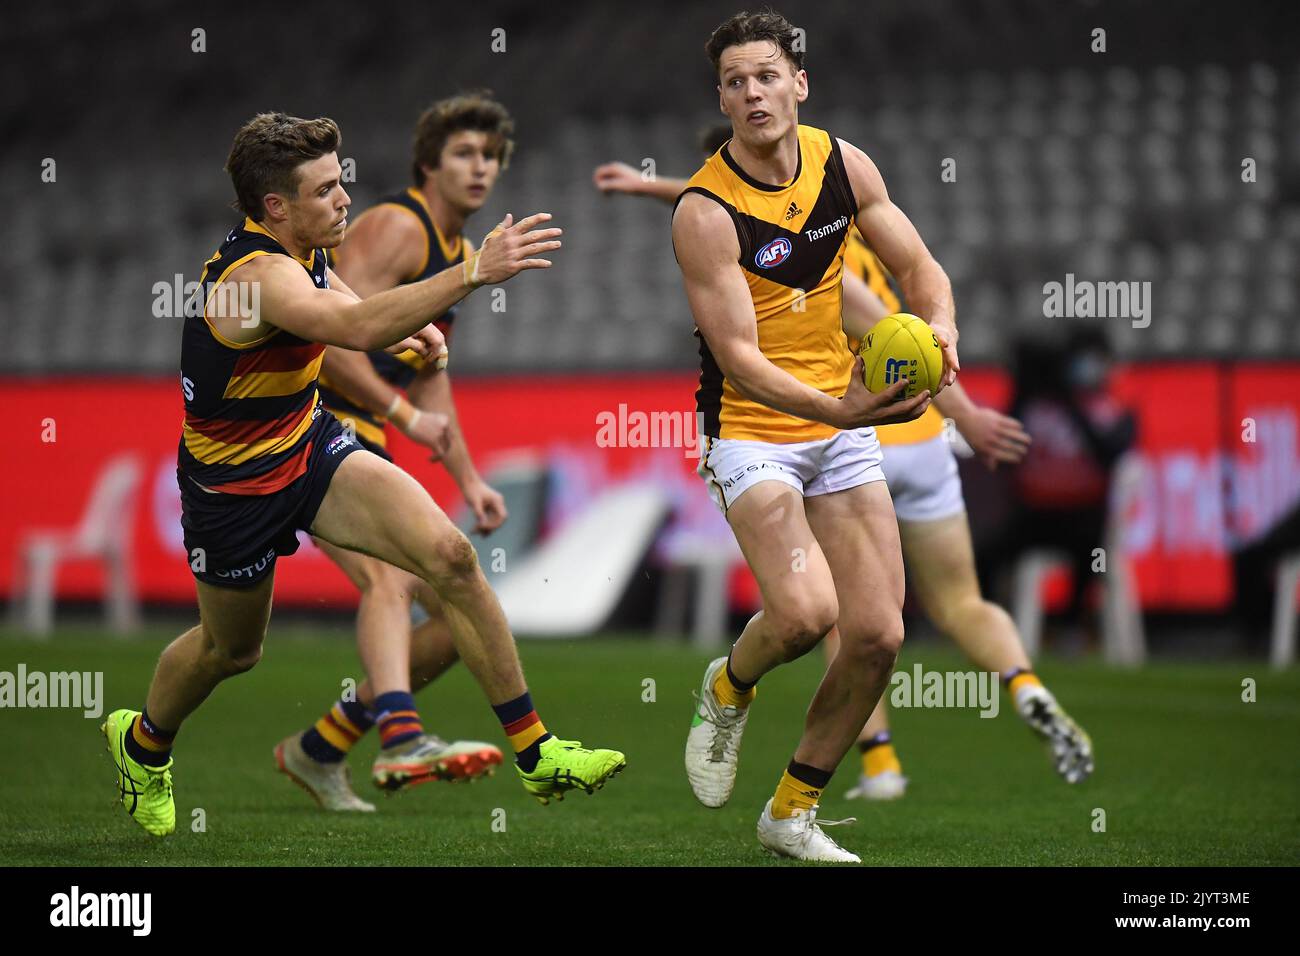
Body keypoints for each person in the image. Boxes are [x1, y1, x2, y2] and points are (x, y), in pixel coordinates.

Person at [102, 112, 625, 837]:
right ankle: (142, 744)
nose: (345, 196)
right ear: (277, 207)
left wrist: (411, 326)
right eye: (325, 189)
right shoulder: (255, 279)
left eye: (340, 179)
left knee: (451, 558)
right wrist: (471, 274)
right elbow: (346, 330)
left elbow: (345, 298)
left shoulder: (307, 249)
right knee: (232, 651)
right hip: (234, 492)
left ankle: (538, 753)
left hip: (309, 447)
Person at [672, 11, 955, 862]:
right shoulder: (704, 209)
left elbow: (918, 267)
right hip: (754, 430)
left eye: (766, 75)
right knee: (801, 615)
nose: (752, 93)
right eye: (734, 81)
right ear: (721, 98)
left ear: (801, 83)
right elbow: (740, 360)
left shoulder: (844, 162)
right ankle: (728, 685)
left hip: (839, 422)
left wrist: (939, 324)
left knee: (876, 636)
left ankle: (790, 812)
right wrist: (838, 412)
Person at [276, 93, 523, 810]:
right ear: (428, 164)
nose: (480, 169)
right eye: (464, 154)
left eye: (490, 157)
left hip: (367, 431)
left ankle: (320, 747)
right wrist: (400, 411)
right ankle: (403, 740)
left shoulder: (455, 252)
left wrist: (469, 478)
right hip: (310, 425)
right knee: (390, 585)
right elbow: (330, 332)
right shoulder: (396, 228)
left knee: (451, 619)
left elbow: (429, 371)